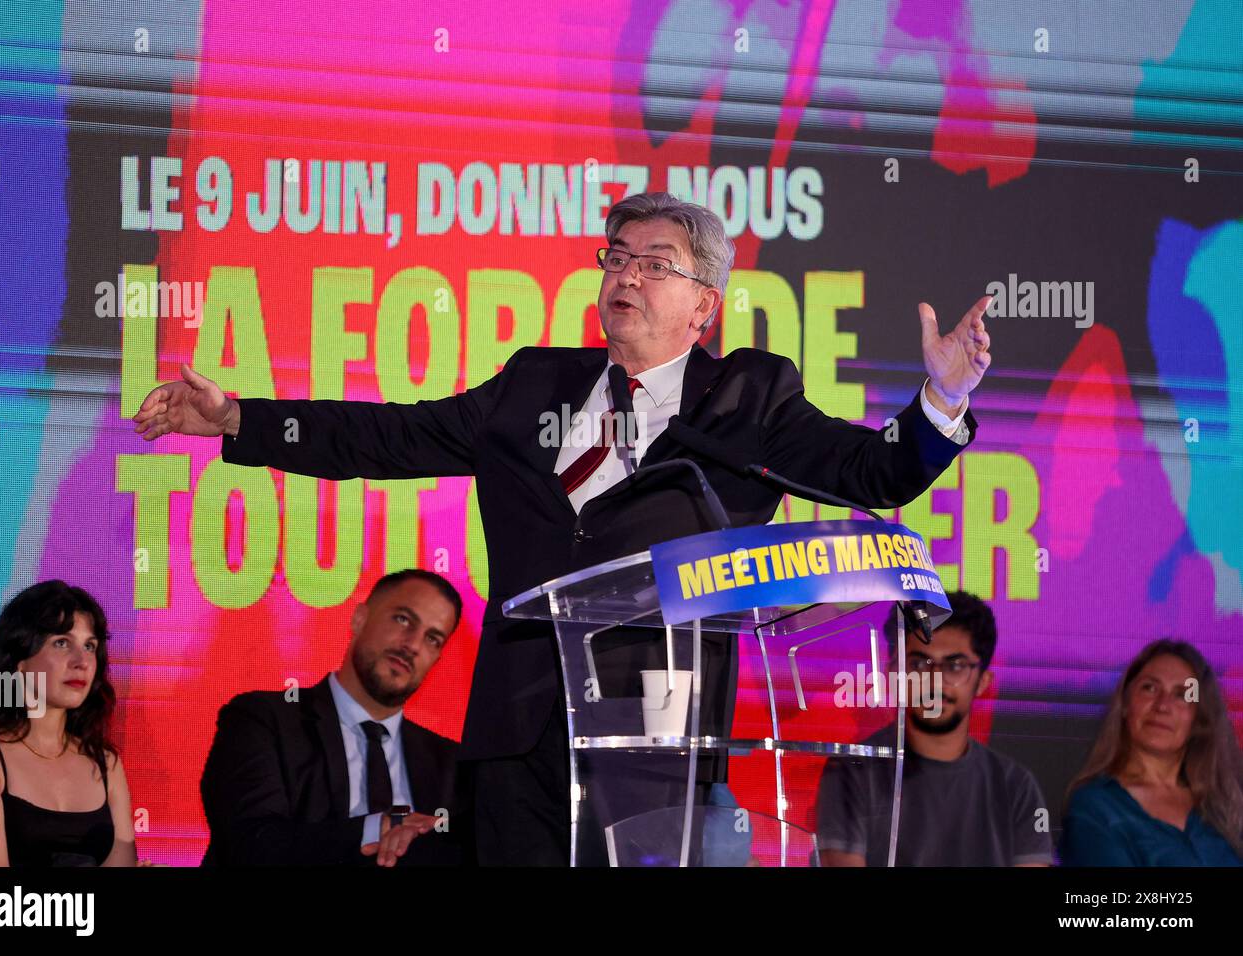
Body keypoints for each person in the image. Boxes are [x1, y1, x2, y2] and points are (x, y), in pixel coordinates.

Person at [134, 191, 992, 865]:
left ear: (705, 307)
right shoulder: (532, 385)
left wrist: (942, 400)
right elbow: (391, 436)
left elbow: (876, 474)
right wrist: (241, 419)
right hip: (516, 738)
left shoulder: (747, 399)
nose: (626, 274)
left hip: (655, 744)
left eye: (655, 263)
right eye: (616, 257)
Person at [200, 569, 463, 866]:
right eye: (403, 619)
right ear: (359, 619)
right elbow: (250, 842)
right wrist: (376, 828)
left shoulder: (452, 765)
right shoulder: (264, 721)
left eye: (433, 639)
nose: (413, 645)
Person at [817, 591, 1052, 866]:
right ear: (893, 672)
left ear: (983, 681)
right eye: (918, 663)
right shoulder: (852, 771)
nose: (934, 681)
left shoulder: (1015, 786)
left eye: (955, 665)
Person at [0, 580, 140, 866]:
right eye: (62, 643)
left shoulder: (105, 762)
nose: (81, 661)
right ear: (20, 659)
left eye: (90, 646)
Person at [1060, 639, 1243, 866]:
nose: (1162, 705)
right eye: (1150, 688)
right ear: (1125, 704)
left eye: (1182, 695)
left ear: (1199, 717)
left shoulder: (1224, 805)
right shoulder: (1094, 808)